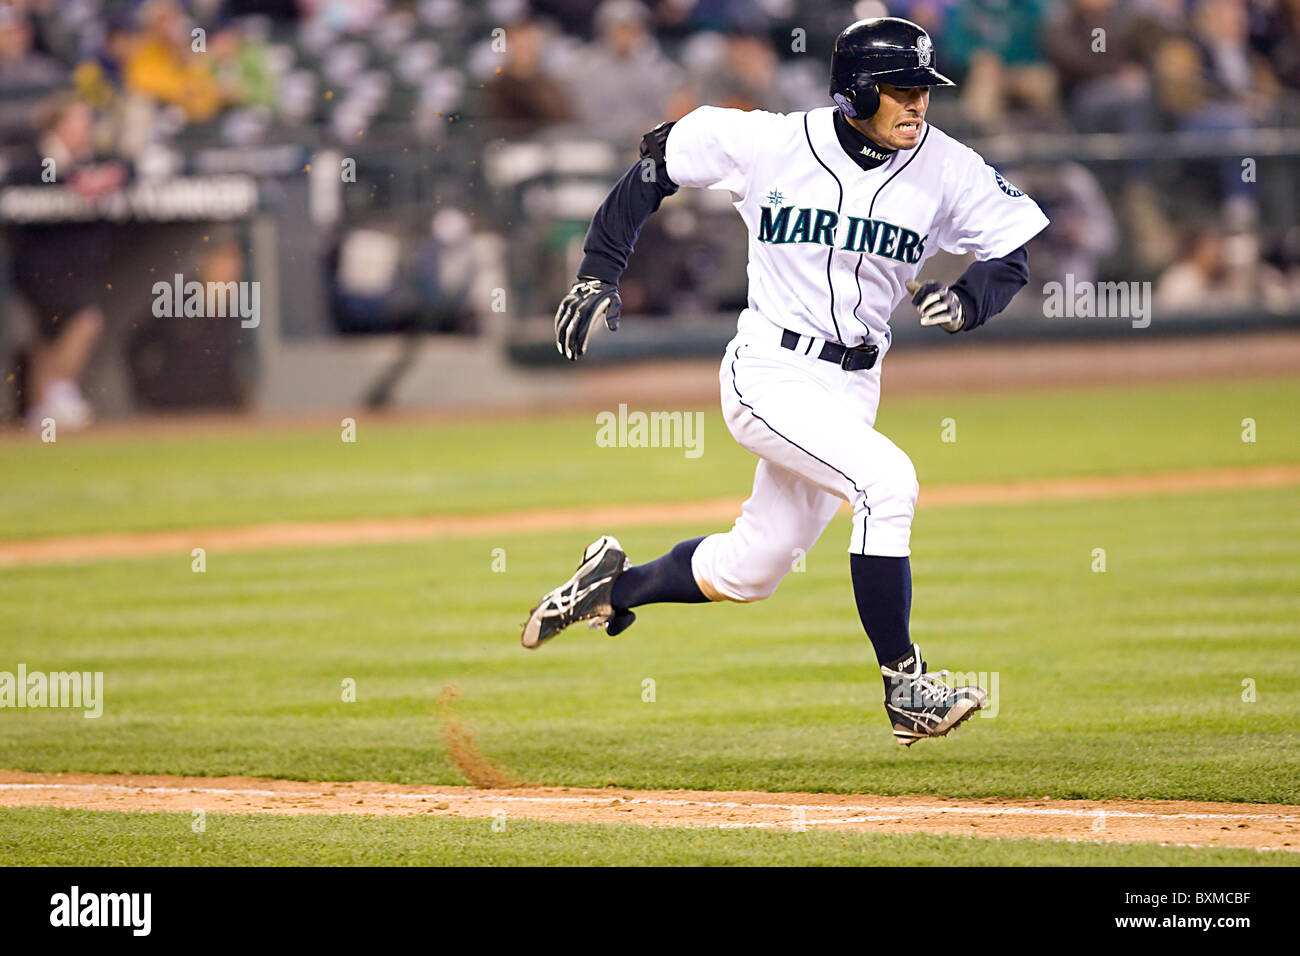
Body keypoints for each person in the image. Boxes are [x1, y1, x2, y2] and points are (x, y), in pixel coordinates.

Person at [522, 18, 1049, 747]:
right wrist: (598, 272)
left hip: (854, 385)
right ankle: (907, 685)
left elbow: (1011, 252)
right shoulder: (770, 141)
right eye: (902, 88)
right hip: (769, 369)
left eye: (925, 88)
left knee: (753, 569)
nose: (919, 104)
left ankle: (612, 587)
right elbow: (654, 166)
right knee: (887, 482)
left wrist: (968, 301)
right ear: (858, 89)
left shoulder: (945, 165)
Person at [8, 92, 126, 432]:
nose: (86, 129)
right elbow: (34, 178)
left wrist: (107, 177)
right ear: (57, 125)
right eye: (79, 121)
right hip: (39, 266)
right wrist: (76, 184)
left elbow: (126, 166)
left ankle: (41, 415)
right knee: (83, 322)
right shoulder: (37, 158)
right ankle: (58, 396)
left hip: (76, 263)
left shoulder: (89, 157)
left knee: (48, 341)